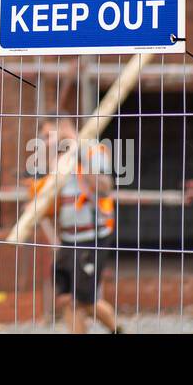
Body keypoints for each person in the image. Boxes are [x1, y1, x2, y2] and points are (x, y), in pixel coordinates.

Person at [33, 115, 123, 334]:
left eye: (47, 136)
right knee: (67, 298)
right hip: (69, 239)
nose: (44, 142)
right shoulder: (57, 160)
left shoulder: (91, 150)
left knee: (81, 300)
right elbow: (56, 202)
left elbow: (104, 186)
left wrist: (78, 154)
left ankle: (118, 330)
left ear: (63, 128)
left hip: (92, 236)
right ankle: (118, 330)